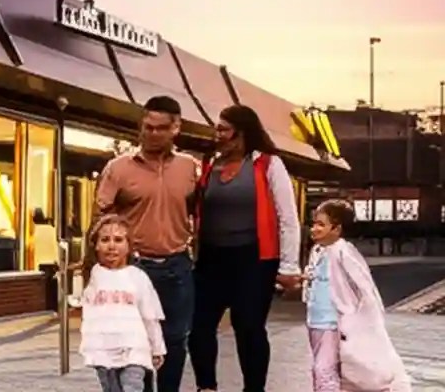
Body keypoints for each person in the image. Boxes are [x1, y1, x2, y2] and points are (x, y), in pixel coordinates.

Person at [189, 104, 302, 392]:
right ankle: (207, 388)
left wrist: (289, 266)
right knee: (199, 328)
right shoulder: (208, 165)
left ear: (241, 133)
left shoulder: (268, 164)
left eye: (223, 129)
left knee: (249, 328)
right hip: (211, 260)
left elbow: (288, 218)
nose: (217, 134)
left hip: (253, 260)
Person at [95, 95, 200, 392]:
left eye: (160, 128)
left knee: (175, 341)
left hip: (177, 267)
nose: (152, 133)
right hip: (134, 268)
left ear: (175, 128)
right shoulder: (119, 168)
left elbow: (199, 214)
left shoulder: (190, 168)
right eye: (147, 127)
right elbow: (101, 218)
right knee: (133, 344)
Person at [304, 199, 410, 392]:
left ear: (337, 229)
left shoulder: (344, 252)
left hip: (333, 323)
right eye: (314, 224)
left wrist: (365, 317)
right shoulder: (318, 251)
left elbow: (364, 286)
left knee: (323, 370)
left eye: (321, 224)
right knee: (328, 370)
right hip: (315, 321)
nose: (314, 229)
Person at [79, 214, 167, 392]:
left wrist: (157, 347)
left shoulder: (138, 277)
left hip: (134, 348)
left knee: (133, 387)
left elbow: (150, 316)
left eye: (118, 240)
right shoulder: (92, 277)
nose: (111, 246)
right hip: (102, 349)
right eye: (105, 240)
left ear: (129, 246)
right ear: (95, 245)